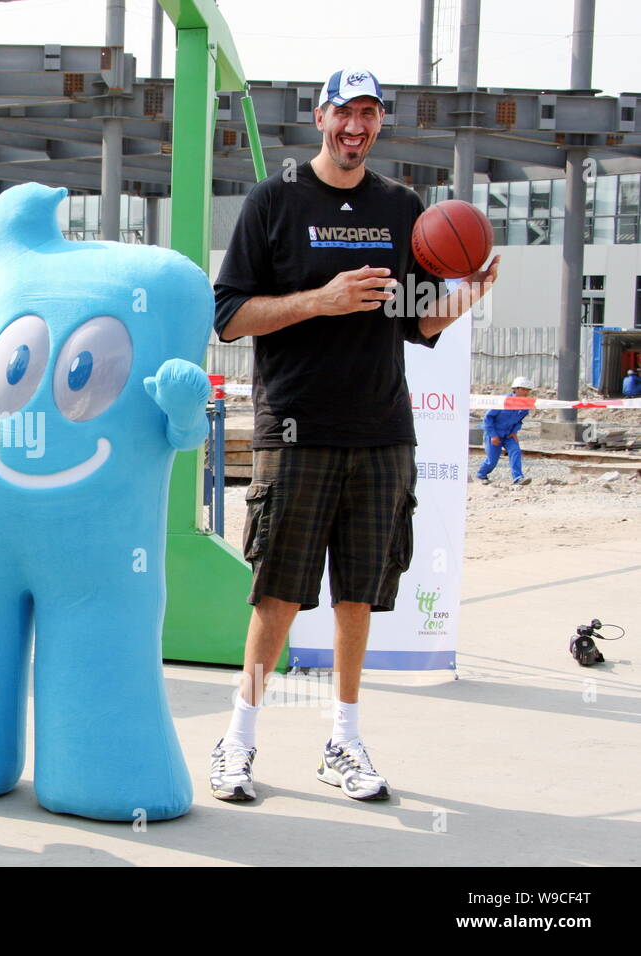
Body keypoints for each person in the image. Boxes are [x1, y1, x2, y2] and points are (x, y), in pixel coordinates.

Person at [207, 68, 499, 803]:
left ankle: (344, 739)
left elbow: (414, 320)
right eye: (344, 112)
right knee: (276, 592)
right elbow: (230, 315)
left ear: (377, 123)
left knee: (358, 595)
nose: (355, 127)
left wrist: (463, 299)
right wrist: (321, 301)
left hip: (382, 430)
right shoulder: (274, 201)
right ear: (319, 116)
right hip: (297, 427)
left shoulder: (403, 207)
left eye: (368, 114)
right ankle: (238, 737)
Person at [478, 376, 533, 485]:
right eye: (523, 389)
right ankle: (482, 474)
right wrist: (493, 435)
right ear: (516, 389)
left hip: (508, 435)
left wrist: (514, 431)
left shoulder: (525, 405)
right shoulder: (503, 401)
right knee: (492, 460)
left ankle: (518, 478)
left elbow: (519, 420)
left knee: (515, 451)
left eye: (528, 390)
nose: (526, 392)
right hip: (494, 434)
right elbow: (488, 418)